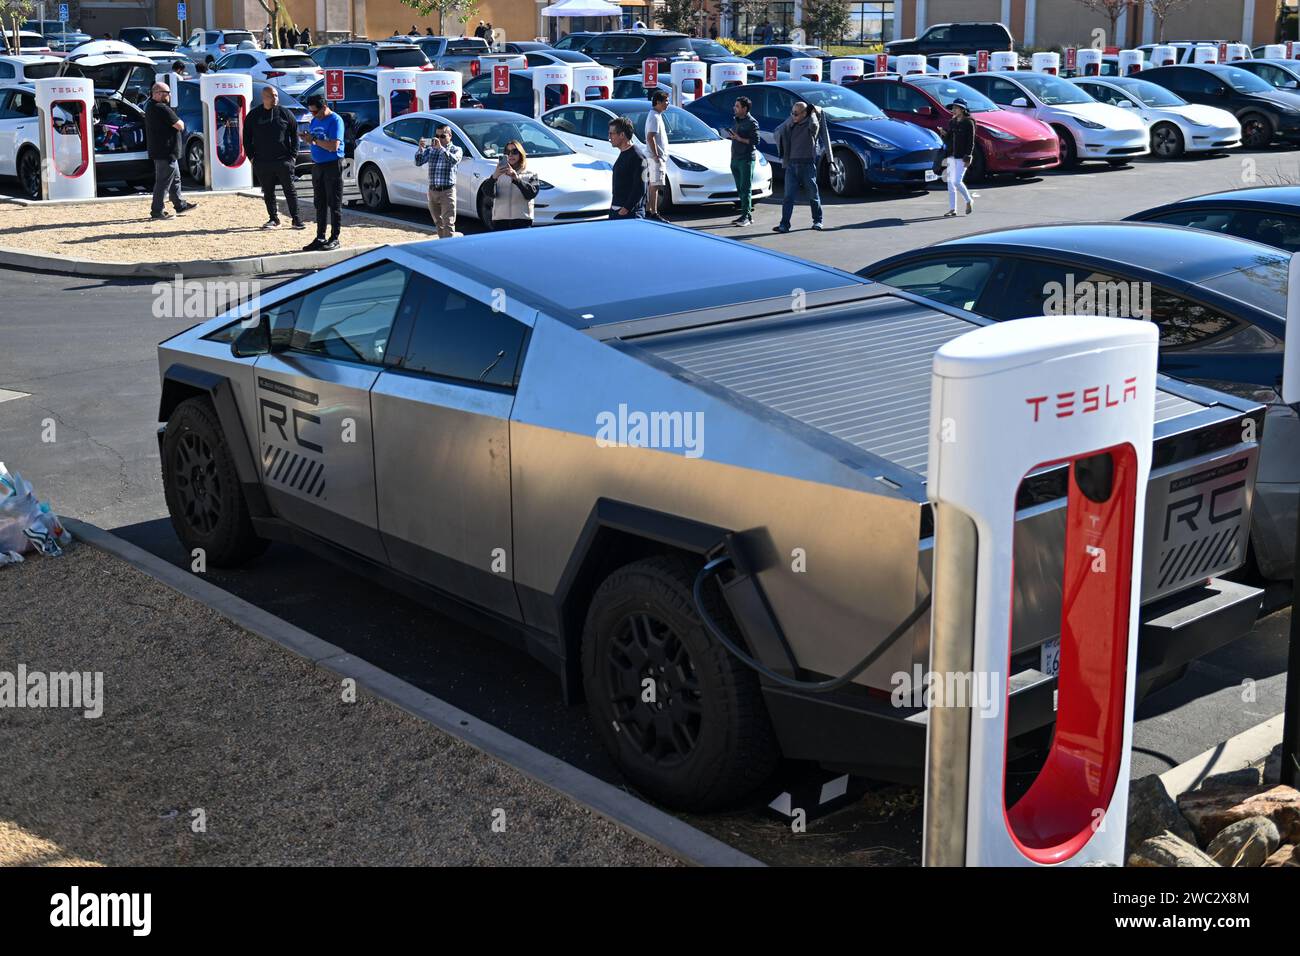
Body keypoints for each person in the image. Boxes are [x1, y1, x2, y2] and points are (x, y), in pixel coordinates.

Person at [244, 85, 304, 230]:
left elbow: (295, 135)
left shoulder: (285, 113)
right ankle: (273, 218)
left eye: (276, 95)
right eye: (272, 96)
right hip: (262, 161)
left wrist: (293, 157)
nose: (275, 98)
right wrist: (252, 158)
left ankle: (296, 219)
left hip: (283, 160)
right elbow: (246, 138)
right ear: (264, 97)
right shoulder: (254, 115)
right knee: (268, 191)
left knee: (289, 190)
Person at [144, 82, 197, 221]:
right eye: (167, 93)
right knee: (163, 182)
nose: (169, 95)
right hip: (165, 151)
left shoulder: (149, 106)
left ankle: (180, 205)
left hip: (165, 151)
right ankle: (157, 211)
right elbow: (179, 125)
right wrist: (181, 123)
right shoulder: (161, 108)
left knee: (175, 180)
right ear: (157, 93)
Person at [299, 93, 345, 250]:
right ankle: (320, 237)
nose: (313, 115)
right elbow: (315, 141)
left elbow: (334, 146)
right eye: (311, 111)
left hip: (333, 165)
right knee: (320, 203)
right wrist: (307, 138)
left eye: (315, 112)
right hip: (317, 165)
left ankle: (335, 238)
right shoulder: (314, 120)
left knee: (334, 203)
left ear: (324, 107)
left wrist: (313, 140)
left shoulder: (335, 120)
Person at [774, 99, 823, 232]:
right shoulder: (791, 125)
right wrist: (792, 118)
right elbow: (777, 132)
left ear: (804, 113)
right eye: (792, 113)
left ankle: (818, 221)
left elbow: (815, 126)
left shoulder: (810, 124)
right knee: (788, 197)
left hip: (807, 164)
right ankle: (784, 224)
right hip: (791, 165)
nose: (793, 116)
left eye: (796, 113)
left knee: (813, 195)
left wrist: (812, 113)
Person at [413, 123, 462, 238]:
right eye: (437, 136)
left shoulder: (456, 149)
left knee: (448, 223)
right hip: (432, 191)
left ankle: (449, 249)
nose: (439, 139)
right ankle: (442, 244)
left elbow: (453, 160)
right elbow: (418, 162)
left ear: (450, 136)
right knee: (438, 223)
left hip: (447, 191)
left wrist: (440, 148)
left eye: (443, 136)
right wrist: (420, 149)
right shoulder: (431, 150)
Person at [724, 94, 759, 226]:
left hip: (746, 159)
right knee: (740, 188)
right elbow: (737, 137)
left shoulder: (752, 122)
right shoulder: (737, 120)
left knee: (746, 188)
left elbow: (756, 141)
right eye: (735, 105)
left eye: (737, 106)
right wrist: (733, 138)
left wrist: (740, 139)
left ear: (745, 108)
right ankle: (745, 215)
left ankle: (746, 216)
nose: (735, 108)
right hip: (735, 158)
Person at [490, 139, 539, 229]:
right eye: (507, 152)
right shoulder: (497, 172)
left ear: (521, 154)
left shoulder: (531, 173)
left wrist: (516, 179)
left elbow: (531, 194)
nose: (510, 155)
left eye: (514, 152)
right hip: (500, 221)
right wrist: (494, 177)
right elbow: (488, 193)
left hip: (522, 221)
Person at [942, 98, 975, 218]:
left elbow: (971, 142)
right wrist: (944, 134)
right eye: (953, 108)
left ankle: (969, 200)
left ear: (962, 109)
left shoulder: (969, 122)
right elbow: (948, 139)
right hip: (951, 155)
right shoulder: (952, 122)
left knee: (957, 181)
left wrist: (968, 156)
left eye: (956, 108)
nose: (953, 110)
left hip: (962, 157)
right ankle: (952, 209)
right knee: (950, 183)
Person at [608, 116, 645, 219]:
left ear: (622, 135)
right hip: (617, 211)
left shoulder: (638, 157)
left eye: (611, 133)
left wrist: (626, 209)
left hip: (630, 215)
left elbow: (641, 188)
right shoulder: (623, 153)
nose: (609, 137)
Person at [643, 89, 670, 222]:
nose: (667, 103)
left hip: (656, 156)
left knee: (654, 184)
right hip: (655, 157)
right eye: (665, 101)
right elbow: (650, 137)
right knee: (655, 184)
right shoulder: (654, 116)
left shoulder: (656, 115)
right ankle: (653, 212)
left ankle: (650, 210)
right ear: (658, 102)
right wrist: (656, 155)